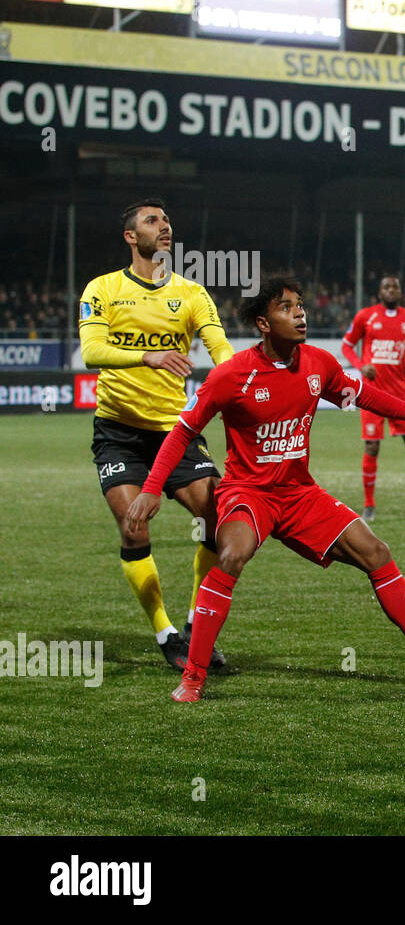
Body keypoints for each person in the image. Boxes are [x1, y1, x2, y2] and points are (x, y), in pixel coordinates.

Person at [124, 276, 405, 702]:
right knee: (232, 553)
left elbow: (365, 395)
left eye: (300, 305)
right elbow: (182, 432)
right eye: (286, 307)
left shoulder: (317, 364)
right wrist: (150, 489)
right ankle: (193, 677)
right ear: (263, 323)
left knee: (377, 553)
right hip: (247, 493)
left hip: (299, 493)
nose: (300, 314)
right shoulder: (231, 375)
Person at [79, 198, 234, 670]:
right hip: (119, 432)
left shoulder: (191, 293)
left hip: (175, 430)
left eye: (166, 220)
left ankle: (194, 623)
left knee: (218, 518)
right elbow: (91, 350)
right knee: (134, 525)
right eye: (152, 221)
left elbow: (220, 347)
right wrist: (145, 356)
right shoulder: (102, 289)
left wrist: (240, 382)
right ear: (131, 236)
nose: (164, 227)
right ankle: (166, 633)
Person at [341, 276, 405, 522]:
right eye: (386, 287)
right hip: (371, 394)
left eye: (395, 286)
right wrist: (361, 366)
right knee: (372, 446)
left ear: (400, 291)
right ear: (379, 292)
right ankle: (369, 505)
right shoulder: (366, 316)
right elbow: (346, 346)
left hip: (400, 393)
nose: (391, 290)